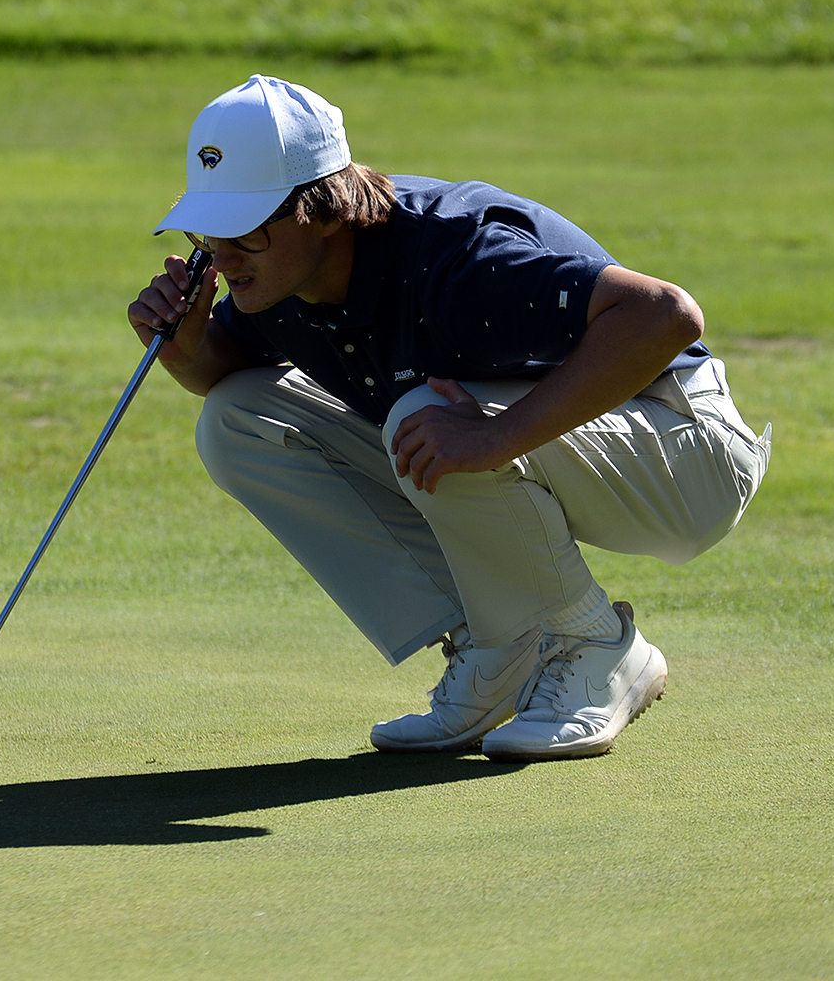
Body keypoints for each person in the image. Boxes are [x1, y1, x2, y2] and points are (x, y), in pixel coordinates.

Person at [128, 75, 770, 761]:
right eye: (209, 229)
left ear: (323, 209)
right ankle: (499, 647)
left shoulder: (456, 257)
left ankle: (597, 647)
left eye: (246, 229)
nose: (223, 255)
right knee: (236, 418)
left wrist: (496, 436)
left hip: (689, 451)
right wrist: (186, 346)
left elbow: (665, 316)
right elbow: (224, 374)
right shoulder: (280, 279)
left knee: (428, 417)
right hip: (581, 446)